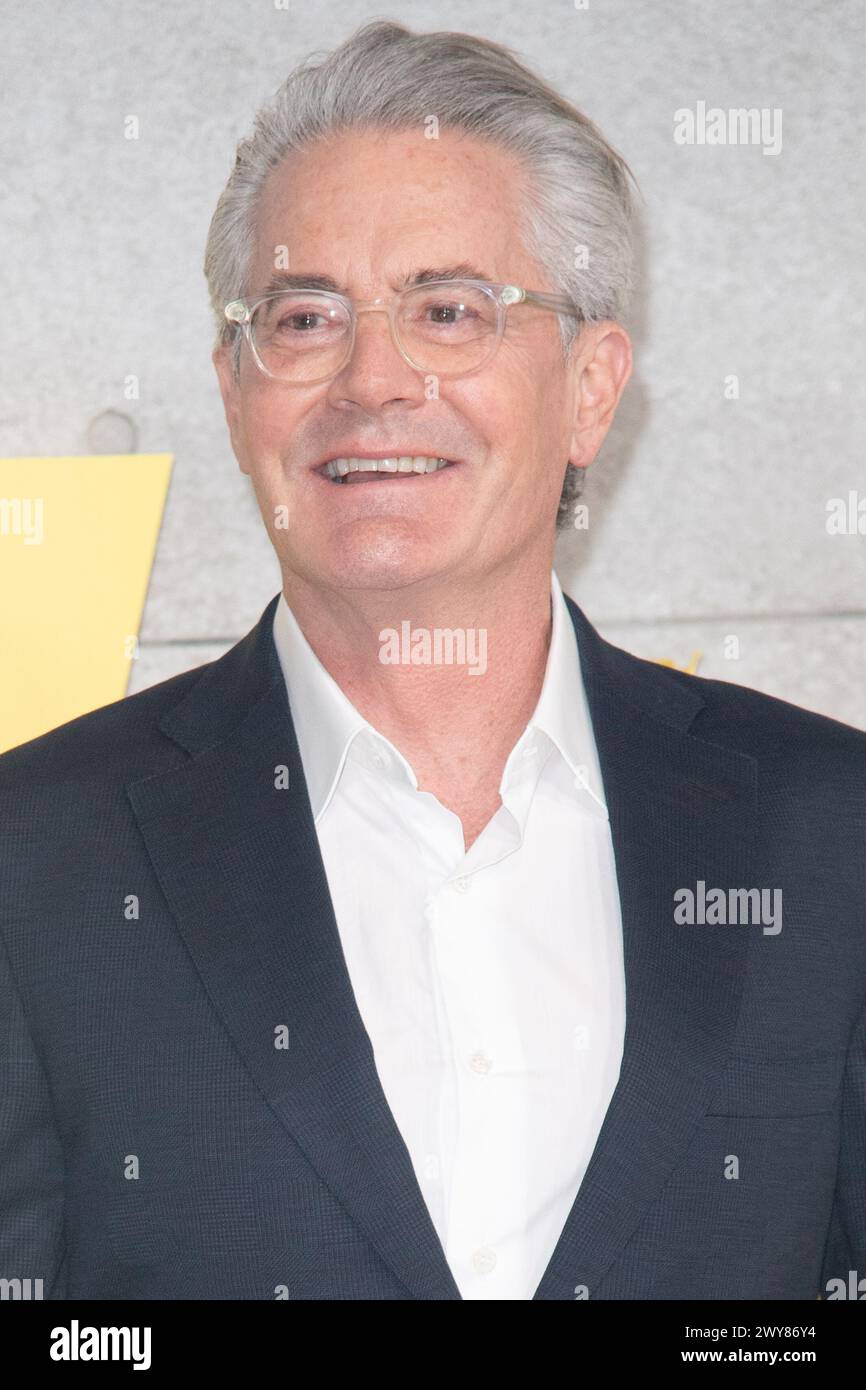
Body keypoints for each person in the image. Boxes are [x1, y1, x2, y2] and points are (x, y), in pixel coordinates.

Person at [1, 20, 864, 1302]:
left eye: (449, 310)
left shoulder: (827, 832)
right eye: (303, 317)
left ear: (588, 385)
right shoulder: (36, 859)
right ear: (236, 391)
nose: (373, 378)